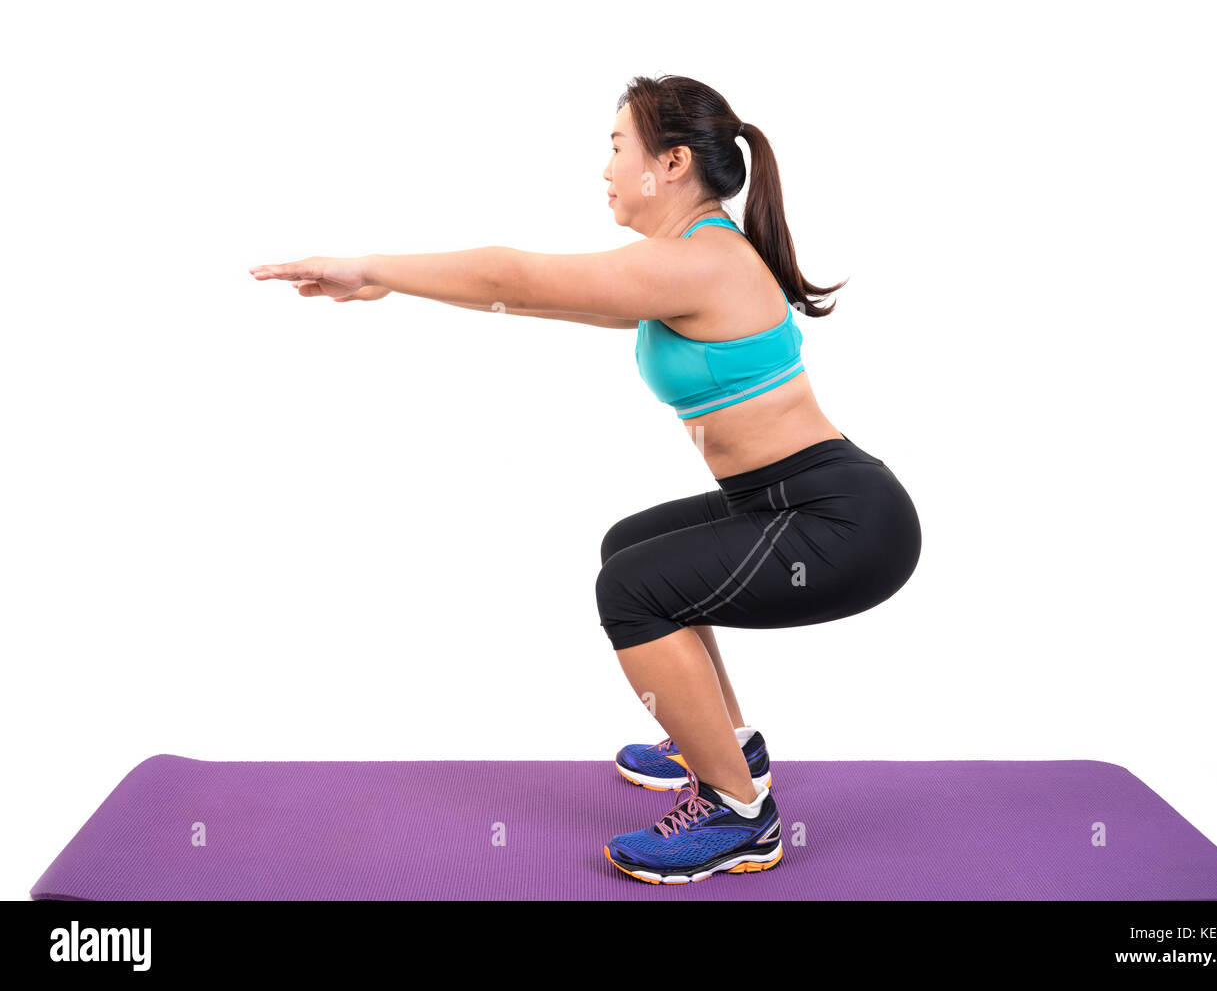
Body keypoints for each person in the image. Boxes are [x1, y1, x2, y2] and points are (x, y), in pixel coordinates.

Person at [250, 74, 922, 886]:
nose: (604, 166)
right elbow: (527, 302)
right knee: (633, 547)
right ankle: (722, 740)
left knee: (635, 589)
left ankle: (739, 815)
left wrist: (368, 263)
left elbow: (516, 278)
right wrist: (398, 284)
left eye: (616, 147)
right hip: (798, 502)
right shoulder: (682, 263)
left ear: (670, 164)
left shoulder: (702, 262)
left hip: (843, 522)